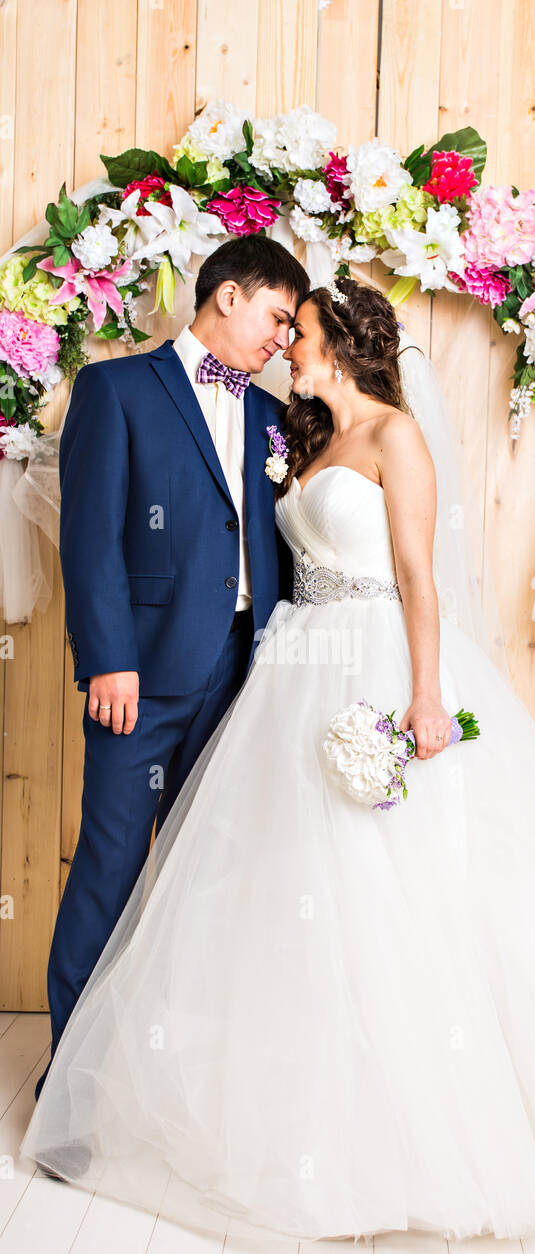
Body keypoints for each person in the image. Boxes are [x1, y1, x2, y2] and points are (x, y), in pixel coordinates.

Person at [21, 276, 535, 1247]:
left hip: (374, 667)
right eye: (277, 324)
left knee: (385, 892)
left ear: (334, 343)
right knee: (243, 886)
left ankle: (392, 1131)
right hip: (287, 676)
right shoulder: (294, 433)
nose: (282, 346)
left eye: (296, 334)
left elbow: (420, 576)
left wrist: (425, 695)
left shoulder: (394, 437)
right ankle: (104, 1092)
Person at [33, 236, 310, 1102]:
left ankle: (178, 1082)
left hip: (242, 677)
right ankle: (70, 1091)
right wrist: (107, 662)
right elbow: (89, 540)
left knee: (211, 876)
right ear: (227, 296)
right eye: (276, 318)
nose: (282, 341)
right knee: (110, 867)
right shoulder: (115, 389)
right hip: (141, 677)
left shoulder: (272, 414)